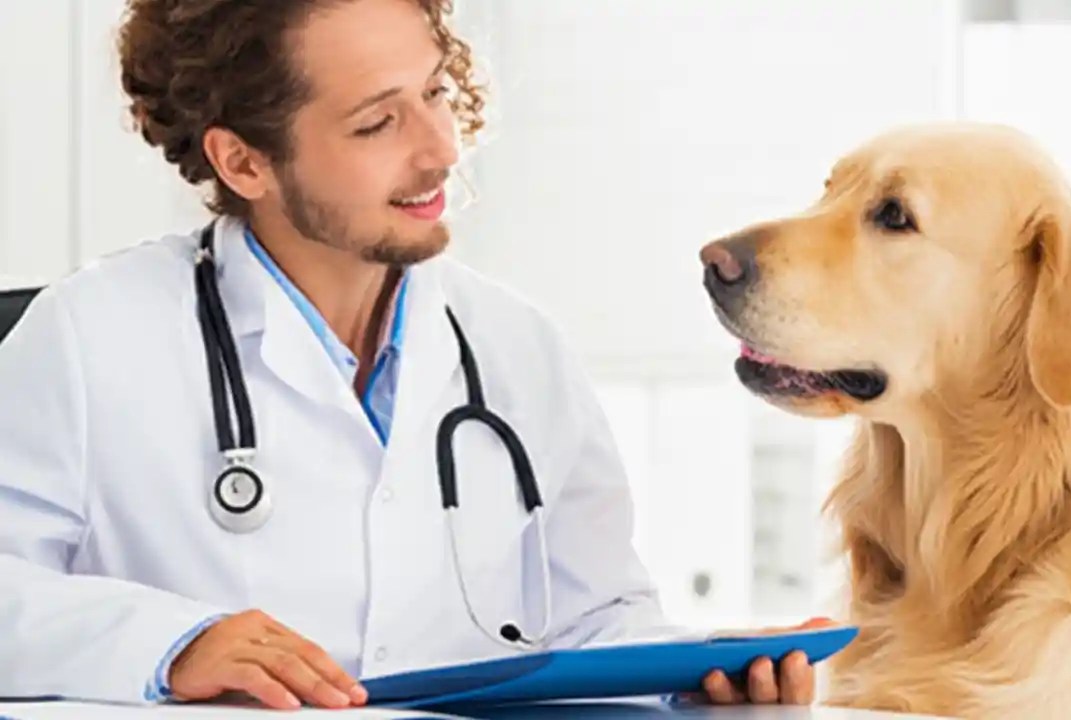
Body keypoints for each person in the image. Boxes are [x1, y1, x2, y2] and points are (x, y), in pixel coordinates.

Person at [0, 0, 827, 710]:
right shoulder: (91, 335)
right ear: (244, 160)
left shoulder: (516, 344)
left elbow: (594, 622)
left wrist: (700, 670)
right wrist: (171, 646)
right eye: (376, 121)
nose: (440, 149)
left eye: (435, 91)